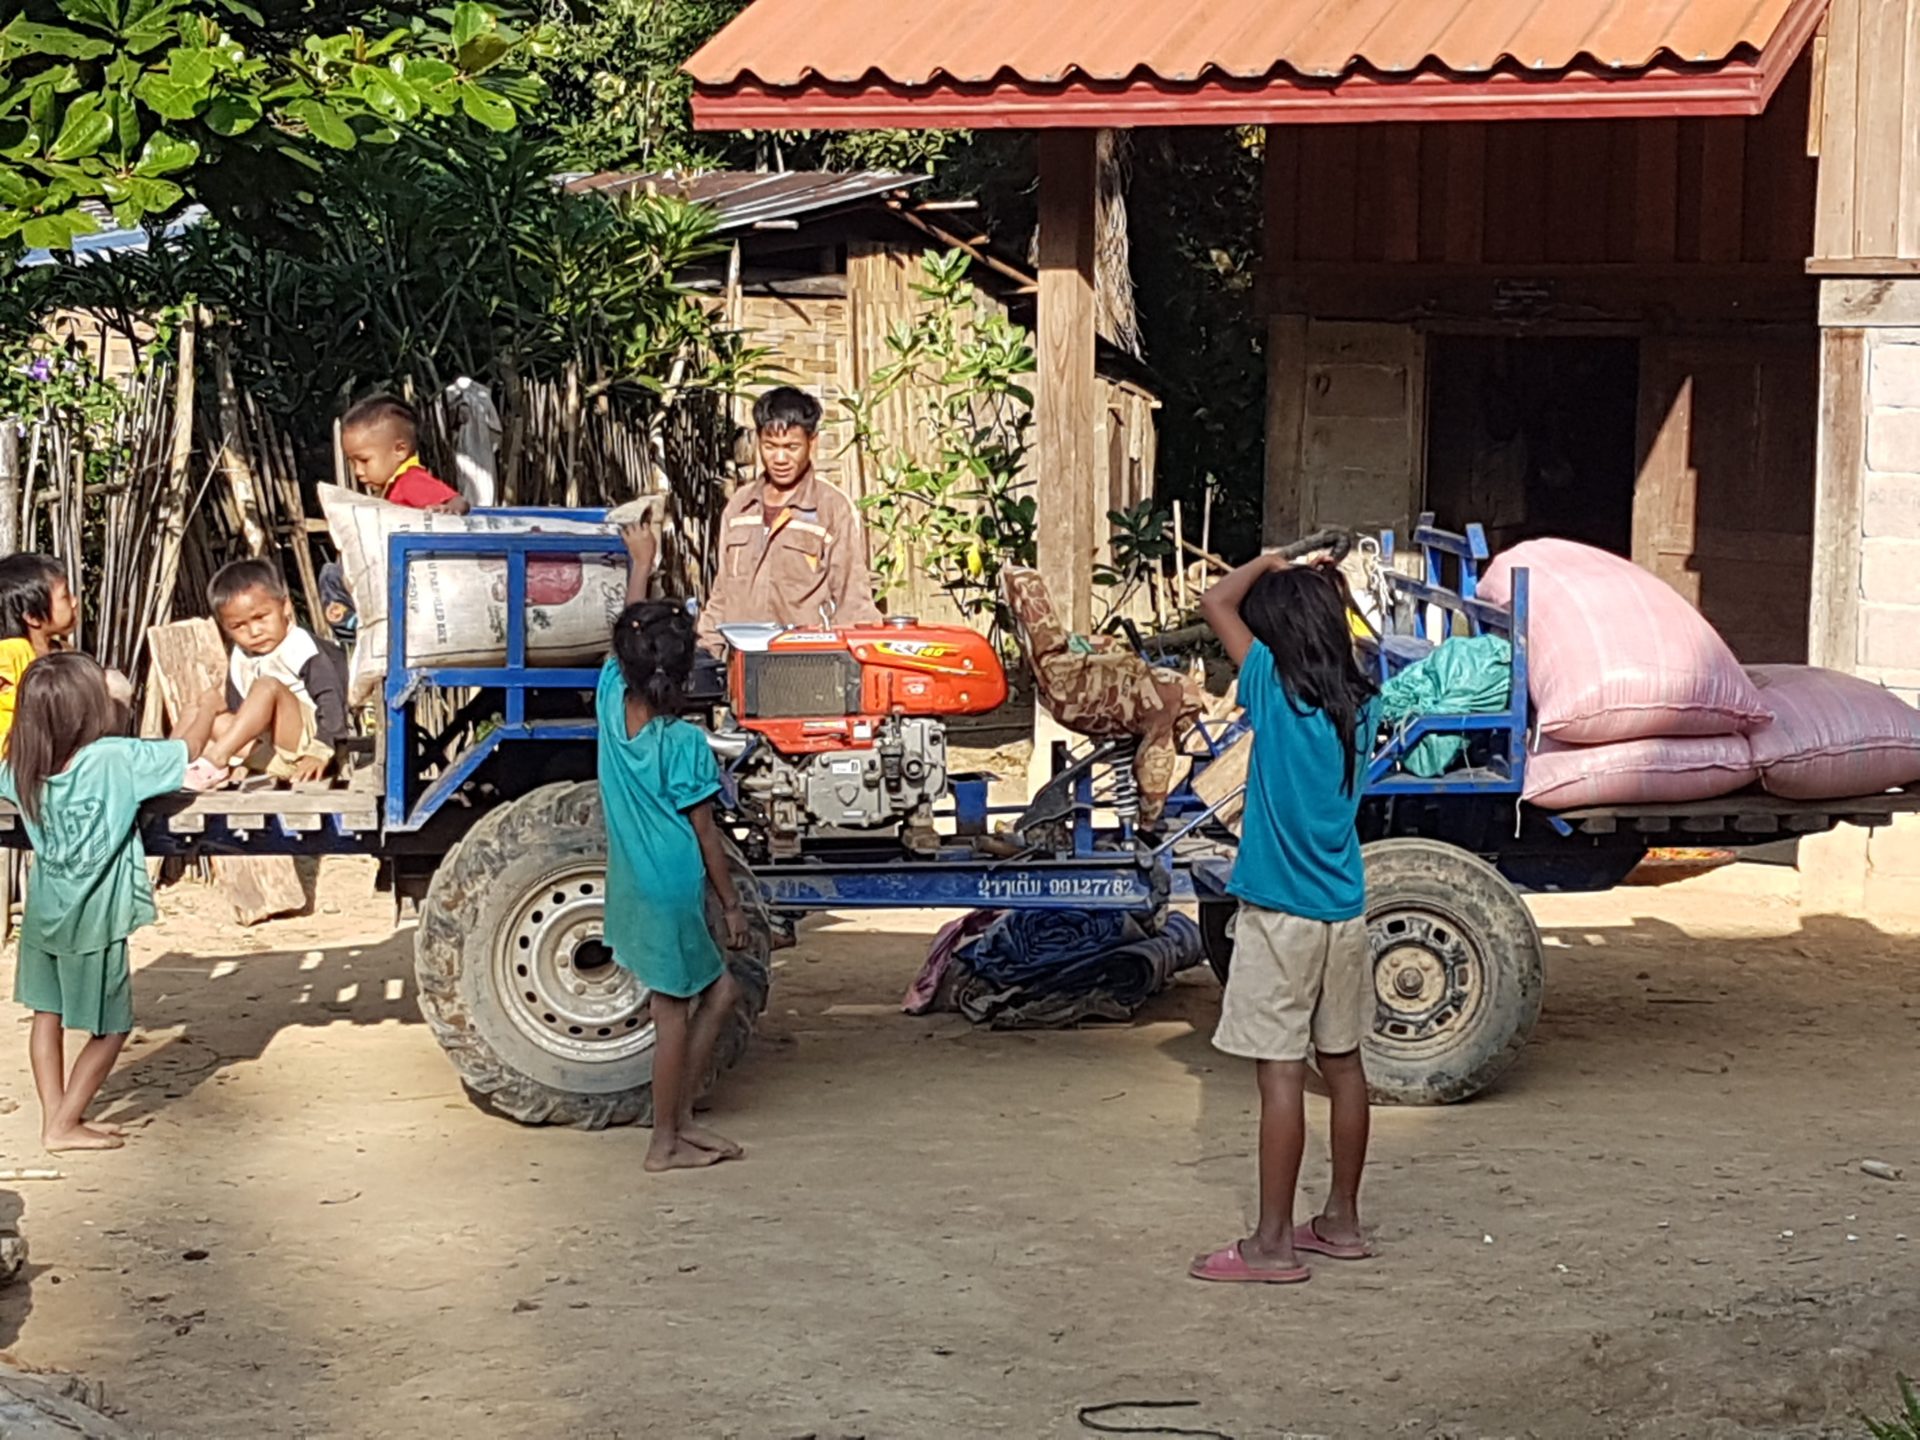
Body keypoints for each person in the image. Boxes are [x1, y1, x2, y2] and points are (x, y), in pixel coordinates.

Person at [1189, 550, 1382, 1285]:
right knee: (1345, 1068)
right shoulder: (1361, 701)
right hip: (1343, 909)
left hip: (1280, 916)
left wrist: (1270, 560)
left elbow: (1216, 602)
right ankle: (1341, 1221)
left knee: (1280, 1079)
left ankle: (1272, 1244)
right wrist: (1331, 582)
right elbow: (1351, 636)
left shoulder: (1269, 684)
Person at [1, 652, 221, 1151]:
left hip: (44, 914)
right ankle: (64, 1125)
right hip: (94, 920)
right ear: (91, 711)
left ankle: (55, 1116)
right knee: (112, 1029)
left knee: (46, 1017)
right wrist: (206, 705)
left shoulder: (22, 766)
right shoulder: (114, 759)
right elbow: (183, 751)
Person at [600, 521, 748, 1172]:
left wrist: (641, 563)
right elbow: (707, 835)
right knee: (681, 1011)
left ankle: (681, 1119)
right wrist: (734, 905)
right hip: (673, 889)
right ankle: (664, 1140)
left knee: (712, 996)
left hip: (634, 884)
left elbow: (628, 632)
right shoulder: (683, 744)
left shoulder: (609, 703)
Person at [694, 386, 880, 655]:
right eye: (770, 447)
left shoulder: (831, 509)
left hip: (805, 670)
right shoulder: (739, 508)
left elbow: (853, 600)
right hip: (740, 667)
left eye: (791, 447)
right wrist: (706, 651)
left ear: (811, 443)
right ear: (758, 441)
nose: (780, 458)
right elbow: (722, 594)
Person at [178, 559, 348, 785]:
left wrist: (320, 749)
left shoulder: (300, 646)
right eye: (239, 626)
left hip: (313, 747)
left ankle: (214, 760)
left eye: (260, 617)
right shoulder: (240, 657)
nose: (254, 631)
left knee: (267, 686)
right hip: (271, 753)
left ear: (285, 607)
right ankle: (170, 765)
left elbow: (333, 700)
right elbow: (241, 716)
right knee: (199, 709)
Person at [323, 394, 470, 645]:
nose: (358, 471)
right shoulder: (395, 486)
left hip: (409, 580)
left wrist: (448, 511)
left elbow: (458, 501)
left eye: (364, 460)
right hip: (399, 576)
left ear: (400, 450)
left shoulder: (410, 481)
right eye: (352, 462)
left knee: (332, 573)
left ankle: (356, 624)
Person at [0, 554, 133, 748]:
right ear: (32, 617)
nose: (74, 601)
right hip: (20, 761)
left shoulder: (63, 651)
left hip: (64, 754)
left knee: (115, 685)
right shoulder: (9, 657)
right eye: (65, 596)